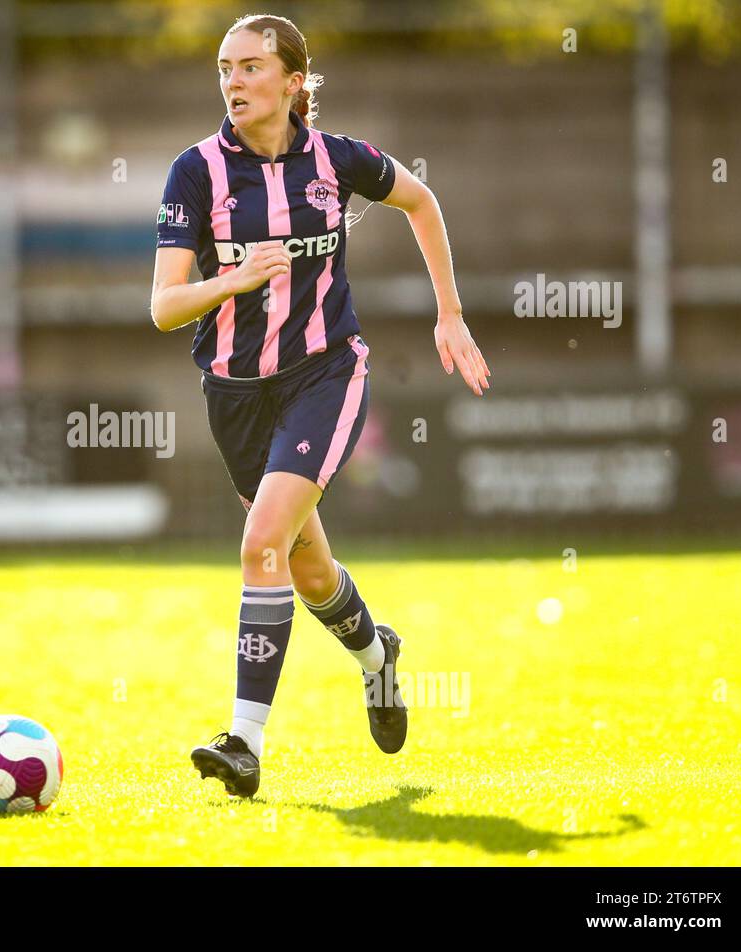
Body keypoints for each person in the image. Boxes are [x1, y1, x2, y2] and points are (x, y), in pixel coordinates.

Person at [150, 13, 492, 798]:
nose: (232, 82)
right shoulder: (195, 172)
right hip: (234, 393)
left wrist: (451, 313)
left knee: (259, 541)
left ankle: (243, 740)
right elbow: (166, 306)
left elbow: (423, 202)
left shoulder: (337, 160)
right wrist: (230, 280)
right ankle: (378, 657)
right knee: (304, 567)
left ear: (293, 80)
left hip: (325, 377)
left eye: (248, 67)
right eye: (223, 68)